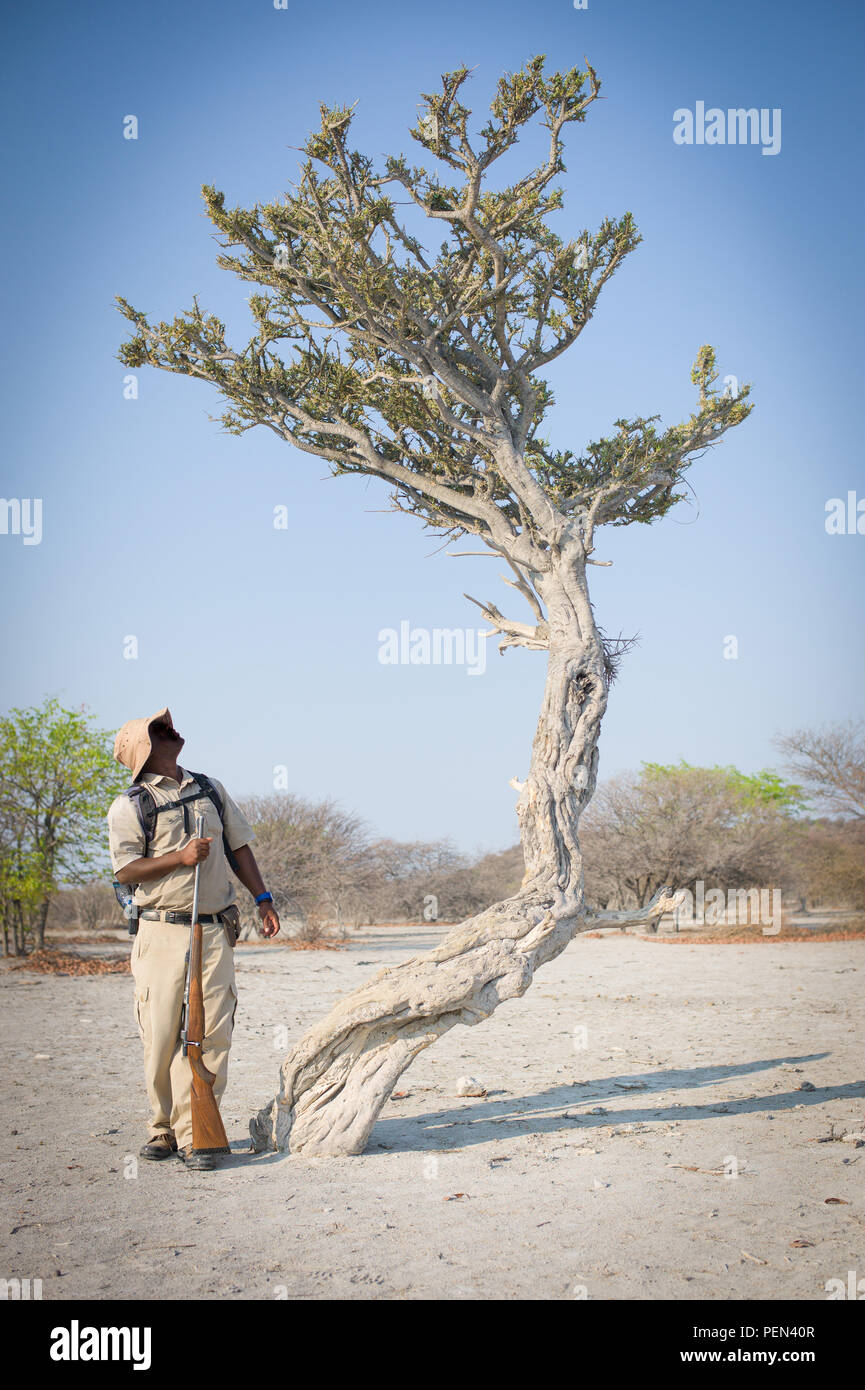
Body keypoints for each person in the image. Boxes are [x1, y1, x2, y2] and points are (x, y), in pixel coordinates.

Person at [107, 706, 280, 1170]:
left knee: (212, 1031)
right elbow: (125, 870)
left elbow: (239, 847)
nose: (172, 730)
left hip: (214, 926)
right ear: (145, 749)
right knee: (161, 1033)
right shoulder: (131, 805)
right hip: (161, 929)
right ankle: (162, 1126)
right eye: (161, 730)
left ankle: (195, 1133)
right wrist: (179, 858)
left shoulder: (210, 789)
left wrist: (262, 898)